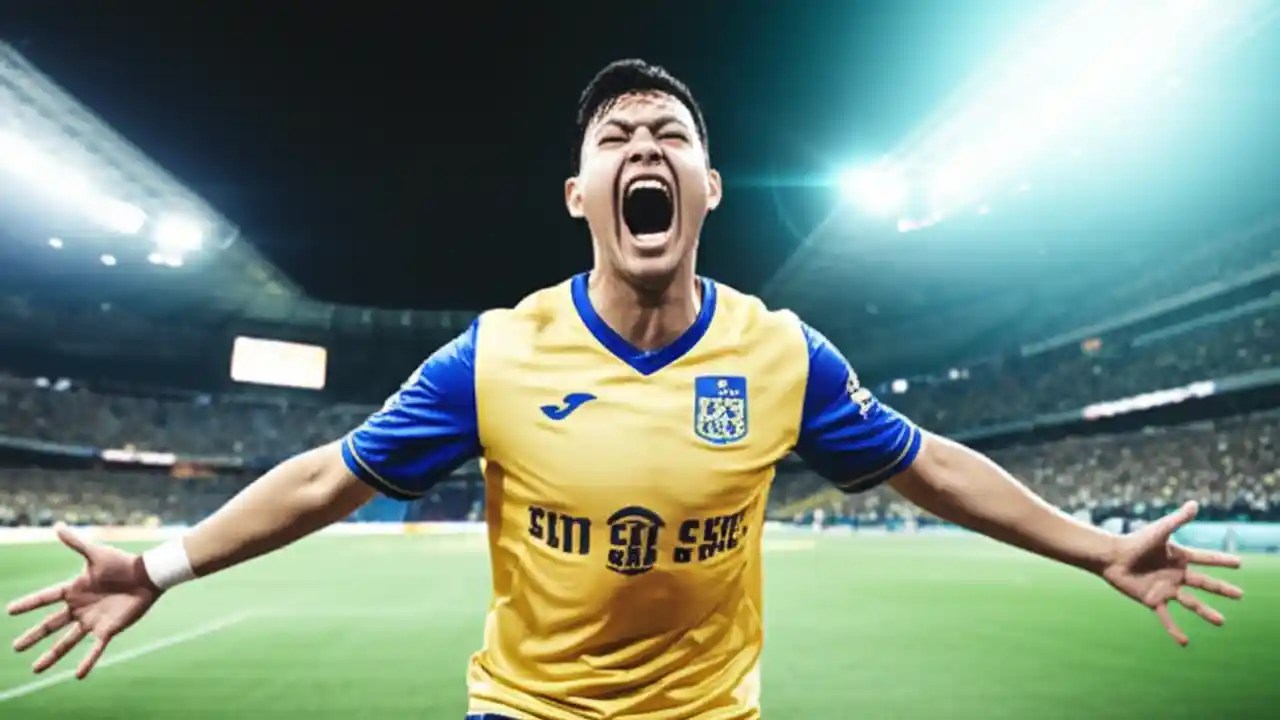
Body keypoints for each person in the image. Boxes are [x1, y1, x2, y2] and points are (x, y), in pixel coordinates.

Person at [7, 59, 1244, 719]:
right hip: (529, 717)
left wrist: (1093, 549)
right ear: (577, 196)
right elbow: (331, 475)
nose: (643, 148)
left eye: (669, 137)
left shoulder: (781, 354)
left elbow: (925, 461)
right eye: (615, 140)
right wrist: (159, 568)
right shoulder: (495, 354)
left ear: (708, 188)